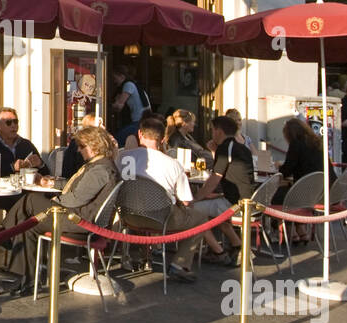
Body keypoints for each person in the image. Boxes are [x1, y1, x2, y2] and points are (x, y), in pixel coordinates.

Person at [1, 124, 121, 292]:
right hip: (80, 217)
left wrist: (54, 198)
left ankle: (5, 233)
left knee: (31, 200)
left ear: (94, 146)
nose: (79, 151)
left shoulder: (100, 169)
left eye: (81, 146)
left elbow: (74, 199)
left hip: (79, 220)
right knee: (27, 225)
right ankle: (26, 279)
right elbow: (78, 187)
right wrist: (52, 183)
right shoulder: (100, 165)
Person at [120, 116, 229, 280]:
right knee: (199, 219)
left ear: (140, 134)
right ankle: (180, 263)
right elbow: (186, 202)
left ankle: (139, 256)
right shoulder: (172, 164)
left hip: (128, 216)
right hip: (160, 219)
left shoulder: (122, 157)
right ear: (163, 139)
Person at [189, 115, 256, 253]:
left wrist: (195, 199)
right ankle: (238, 246)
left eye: (212, 130)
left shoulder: (225, 148)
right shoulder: (243, 148)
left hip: (234, 204)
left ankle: (218, 251)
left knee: (192, 210)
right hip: (247, 200)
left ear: (219, 131)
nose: (211, 133)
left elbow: (214, 179)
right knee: (212, 209)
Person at [109, 65, 149, 142]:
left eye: (115, 78)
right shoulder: (134, 84)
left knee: (118, 139)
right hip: (141, 119)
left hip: (137, 120)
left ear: (121, 76)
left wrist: (108, 105)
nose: (114, 81)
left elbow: (119, 105)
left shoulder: (128, 85)